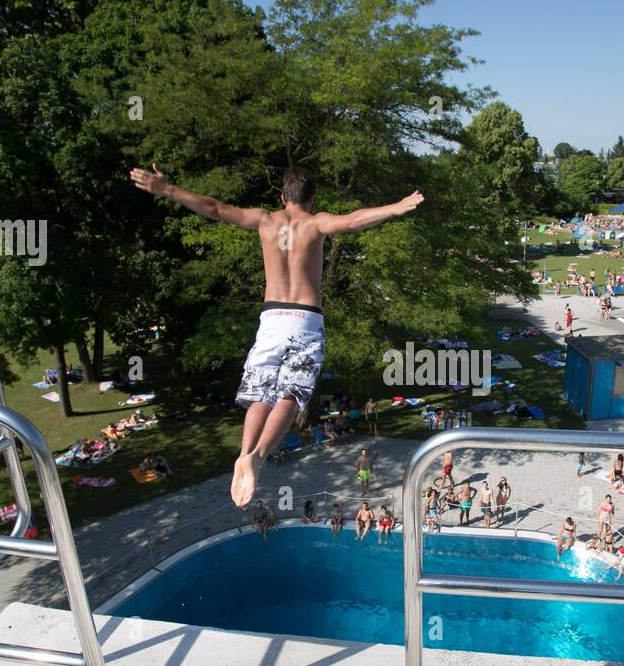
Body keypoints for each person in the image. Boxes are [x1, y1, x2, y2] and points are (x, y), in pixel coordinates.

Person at [132, 163, 422, 507]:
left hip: (270, 320)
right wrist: (396, 207)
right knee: (290, 395)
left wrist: (168, 189)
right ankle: (258, 457)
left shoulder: (264, 219)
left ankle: (244, 453)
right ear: (311, 199)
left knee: (260, 395)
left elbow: (214, 208)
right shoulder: (315, 223)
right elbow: (354, 219)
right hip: (305, 320)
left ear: (282, 196)